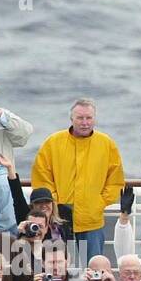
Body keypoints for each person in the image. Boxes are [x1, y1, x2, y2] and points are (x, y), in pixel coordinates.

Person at [30, 98, 125, 260]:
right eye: (80, 118)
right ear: (71, 119)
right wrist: (56, 204)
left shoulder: (106, 144)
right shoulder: (53, 142)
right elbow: (41, 176)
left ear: (95, 119)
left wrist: (100, 202)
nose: (85, 122)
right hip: (58, 220)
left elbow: (115, 179)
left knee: (93, 269)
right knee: (56, 267)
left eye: (89, 118)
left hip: (92, 220)